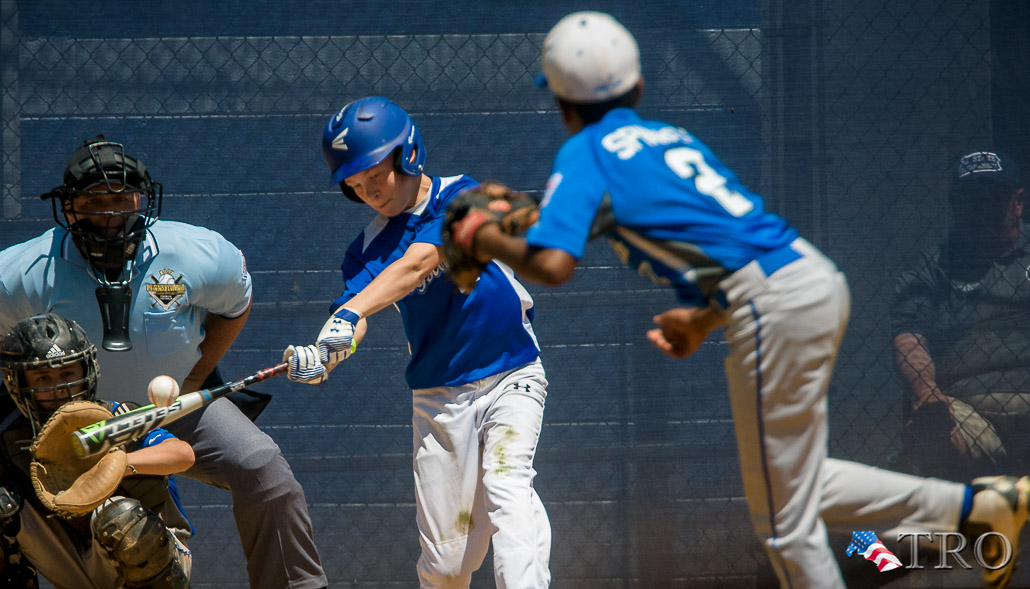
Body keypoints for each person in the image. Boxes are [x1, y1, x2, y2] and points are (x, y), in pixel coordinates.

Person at [440, 11, 1030, 589]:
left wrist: (480, 235)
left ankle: (973, 507)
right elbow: (743, 241)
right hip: (813, 280)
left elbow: (552, 264)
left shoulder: (586, 153)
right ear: (639, 86)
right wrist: (702, 319)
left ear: (561, 102)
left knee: (783, 522)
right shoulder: (670, 140)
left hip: (768, 304)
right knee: (789, 491)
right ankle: (977, 506)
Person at [0, 136, 326, 588]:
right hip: (74, 429)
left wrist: (193, 380)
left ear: (141, 199)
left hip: (176, 410)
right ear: (69, 207)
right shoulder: (25, 272)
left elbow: (236, 305)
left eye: (121, 199)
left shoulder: (195, 252)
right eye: (94, 201)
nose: (110, 213)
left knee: (263, 468)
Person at [284, 96, 551, 588]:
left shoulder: (462, 195)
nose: (369, 194)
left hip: (510, 374)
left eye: (375, 176)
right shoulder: (365, 249)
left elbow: (421, 261)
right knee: (448, 568)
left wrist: (350, 312)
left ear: (407, 153)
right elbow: (359, 315)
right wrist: (325, 355)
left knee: (508, 486)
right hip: (440, 398)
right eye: (356, 186)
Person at [0, 312, 193, 587]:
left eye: (67, 373)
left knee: (121, 515)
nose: (59, 388)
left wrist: (120, 464)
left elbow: (183, 454)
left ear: (86, 371)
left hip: (159, 554)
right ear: (19, 383)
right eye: (42, 378)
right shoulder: (10, 437)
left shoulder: (115, 417)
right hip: (71, 559)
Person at [893, 149, 1030, 479]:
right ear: (956, 207)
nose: (982, 208)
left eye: (992, 197)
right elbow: (910, 335)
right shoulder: (933, 267)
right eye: (972, 199)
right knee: (931, 433)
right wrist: (927, 392)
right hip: (968, 409)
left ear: (1017, 202)